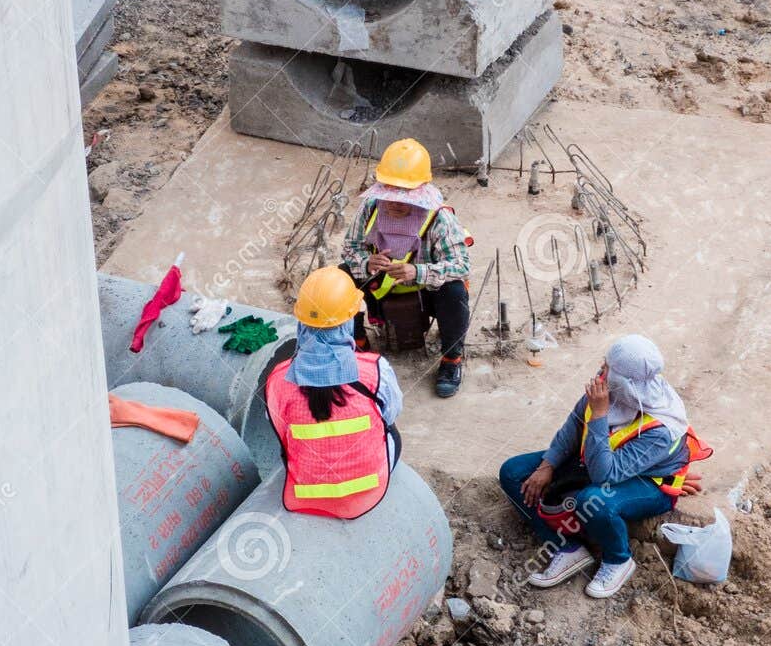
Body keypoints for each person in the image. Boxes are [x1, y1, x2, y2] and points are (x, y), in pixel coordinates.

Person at [498, 334, 710, 599]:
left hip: (649, 484)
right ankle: (568, 549)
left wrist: (600, 414)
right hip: (598, 460)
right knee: (512, 472)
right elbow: (572, 429)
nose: (601, 371)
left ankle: (618, 560)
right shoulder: (608, 389)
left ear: (625, 382)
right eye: (604, 363)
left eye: (607, 368)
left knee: (595, 500)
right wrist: (547, 465)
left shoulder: (660, 427)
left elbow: (604, 475)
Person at [264, 266, 403, 519]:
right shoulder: (374, 370)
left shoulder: (278, 379)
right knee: (391, 429)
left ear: (302, 323)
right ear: (348, 321)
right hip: (368, 489)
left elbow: (277, 429)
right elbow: (391, 413)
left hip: (306, 493)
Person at [340, 136, 471, 399]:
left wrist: (418, 272)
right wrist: (366, 263)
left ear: (420, 189)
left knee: (455, 292)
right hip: (380, 284)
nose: (395, 202)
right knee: (340, 278)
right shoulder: (371, 207)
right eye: (390, 193)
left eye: (404, 195)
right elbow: (350, 247)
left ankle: (451, 359)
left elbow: (461, 264)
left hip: (425, 290)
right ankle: (357, 343)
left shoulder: (438, 218)